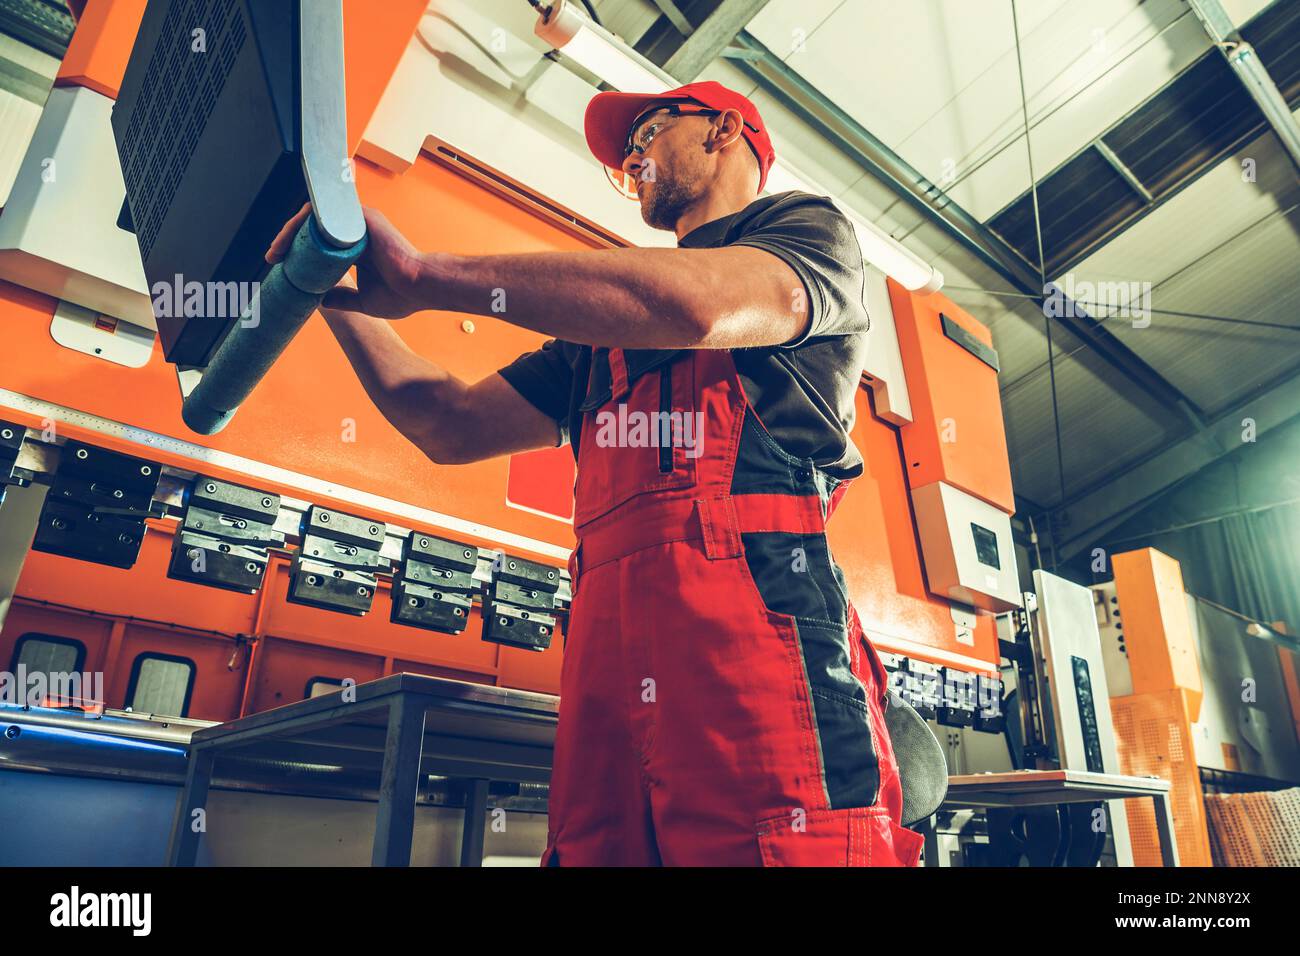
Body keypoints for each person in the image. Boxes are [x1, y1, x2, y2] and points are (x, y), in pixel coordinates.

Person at [268, 80, 921, 866]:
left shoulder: (807, 234)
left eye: (645, 133)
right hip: (607, 655)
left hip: (757, 632)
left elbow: (704, 312)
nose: (631, 159)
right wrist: (326, 288)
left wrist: (425, 275)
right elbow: (446, 422)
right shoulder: (596, 340)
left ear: (722, 130)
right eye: (625, 156)